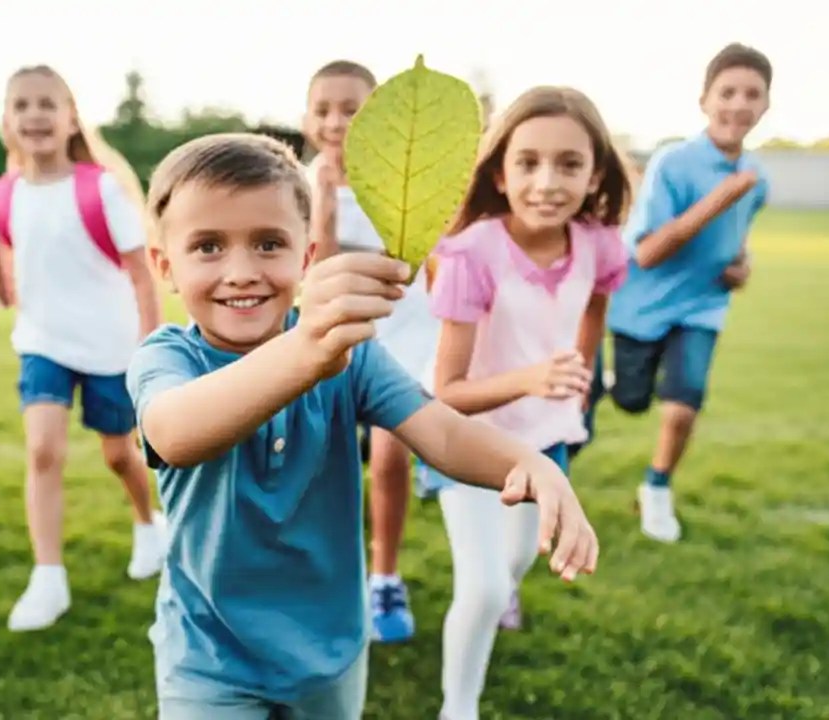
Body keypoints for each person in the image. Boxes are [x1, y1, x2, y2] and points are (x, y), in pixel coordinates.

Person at [126, 132, 599, 720]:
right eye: (208, 247)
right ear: (164, 265)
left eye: (270, 244)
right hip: (208, 659)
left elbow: (444, 434)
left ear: (306, 256)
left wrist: (531, 464)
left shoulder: (353, 358)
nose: (242, 271)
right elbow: (175, 433)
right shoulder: (167, 358)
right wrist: (306, 347)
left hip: (331, 652)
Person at [418, 86, 631, 720]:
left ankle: (501, 595)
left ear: (595, 173)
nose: (548, 181)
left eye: (569, 163)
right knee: (482, 587)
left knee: (513, 563)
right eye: (529, 162)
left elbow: (593, 305)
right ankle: (458, 708)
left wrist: (581, 370)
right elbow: (447, 393)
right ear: (500, 173)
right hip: (470, 440)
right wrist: (530, 378)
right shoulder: (471, 255)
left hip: (547, 436)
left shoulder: (599, 245)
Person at [0, 65, 168, 632]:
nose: (34, 115)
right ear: (6, 121)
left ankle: (147, 525)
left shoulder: (100, 187)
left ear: (70, 117)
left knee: (118, 455)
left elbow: (141, 276)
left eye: (46, 104)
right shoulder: (0, 195)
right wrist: (6, 289)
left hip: (111, 345)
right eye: (21, 105)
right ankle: (48, 578)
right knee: (42, 452)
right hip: (43, 344)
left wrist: (148, 345)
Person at [606, 42, 773, 543]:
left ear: (766, 106)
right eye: (728, 92)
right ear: (704, 100)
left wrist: (742, 266)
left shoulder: (757, 177)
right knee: (633, 402)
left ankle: (657, 489)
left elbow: (738, 241)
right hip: (642, 307)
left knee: (684, 403)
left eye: (752, 94)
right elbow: (649, 253)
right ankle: (619, 380)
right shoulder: (672, 163)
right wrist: (720, 198)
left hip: (703, 306)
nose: (739, 104)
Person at [303, 59, 438, 643]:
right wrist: (326, 205)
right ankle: (327, 577)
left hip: (403, 334)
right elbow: (317, 272)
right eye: (323, 108)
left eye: (352, 109)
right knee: (324, 464)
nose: (336, 122)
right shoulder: (305, 181)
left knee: (387, 459)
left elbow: (418, 262)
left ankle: (384, 576)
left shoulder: (399, 180)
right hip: (337, 336)